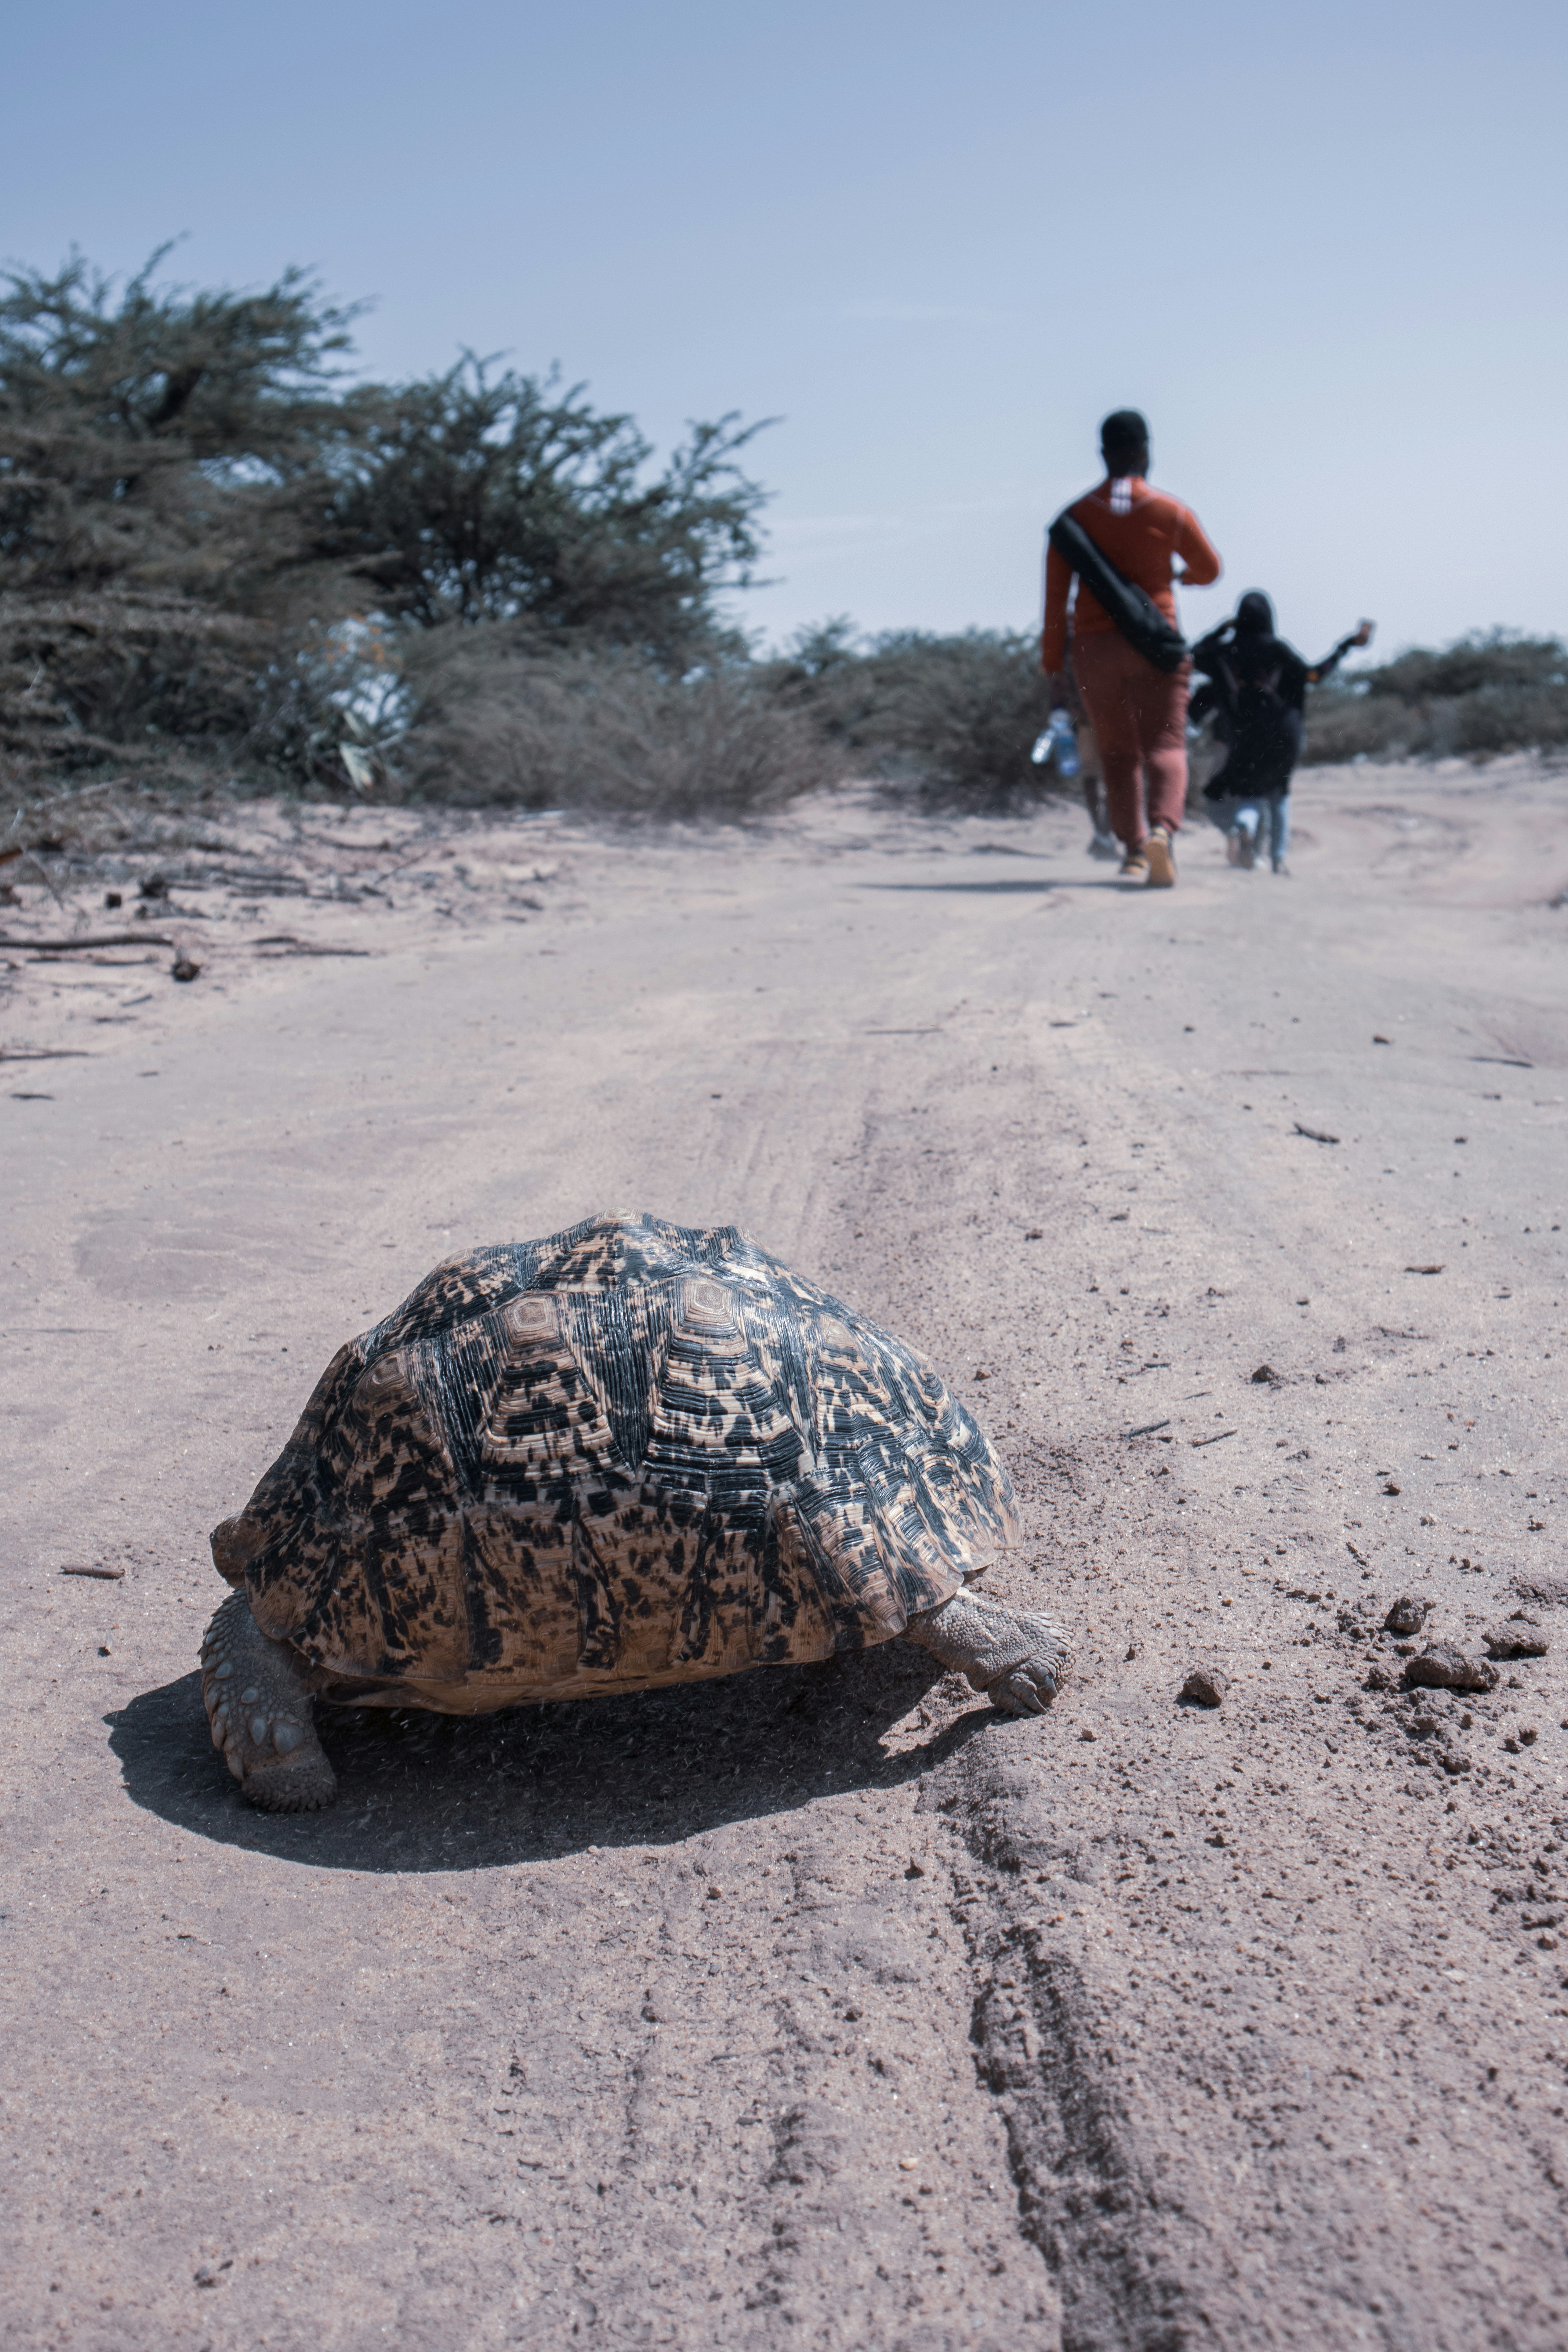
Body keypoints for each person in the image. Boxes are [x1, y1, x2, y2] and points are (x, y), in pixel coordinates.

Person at [1042, 410, 1221, 888]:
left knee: (1117, 752)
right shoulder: (1171, 512)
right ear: (1146, 451)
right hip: (1155, 645)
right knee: (1165, 744)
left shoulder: (1072, 521)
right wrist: (1175, 577)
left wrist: (1052, 666)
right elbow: (1210, 570)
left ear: (1103, 454)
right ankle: (1162, 830)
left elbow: (1055, 605)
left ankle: (1133, 851)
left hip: (1093, 651)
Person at [1191, 596, 1374, 872]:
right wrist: (1345, 647)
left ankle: (1243, 826)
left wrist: (1222, 629)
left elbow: (1196, 654)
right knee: (1280, 794)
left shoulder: (1225, 654)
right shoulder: (1277, 650)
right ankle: (1278, 859)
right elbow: (1314, 675)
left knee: (1249, 794)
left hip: (1244, 736)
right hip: (1284, 735)